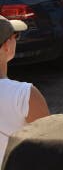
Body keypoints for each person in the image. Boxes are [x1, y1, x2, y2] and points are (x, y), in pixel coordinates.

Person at [0, 16, 49, 159]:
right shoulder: (25, 95)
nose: (17, 39)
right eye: (16, 35)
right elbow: (51, 147)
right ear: (6, 46)